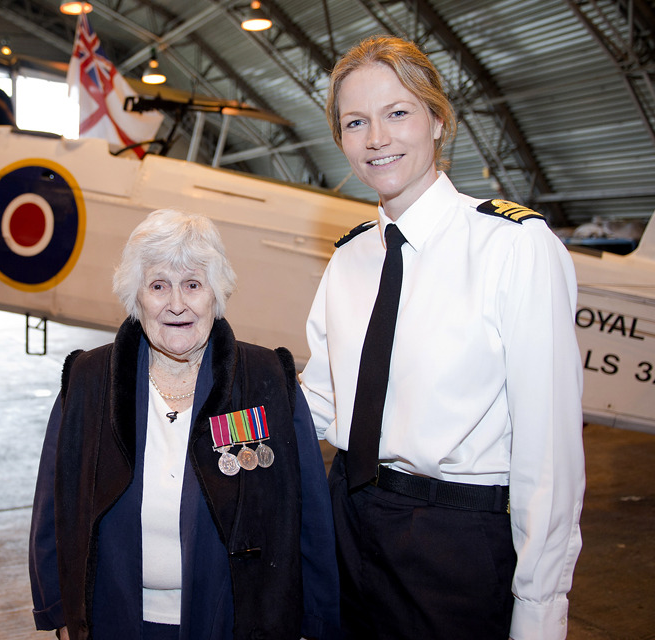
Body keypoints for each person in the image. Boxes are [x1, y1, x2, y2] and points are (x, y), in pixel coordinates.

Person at [299, 35, 584, 640]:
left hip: (455, 540)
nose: (377, 138)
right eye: (356, 122)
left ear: (436, 119)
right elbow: (320, 400)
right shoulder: (350, 259)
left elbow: (549, 452)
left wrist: (539, 609)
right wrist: (210, 403)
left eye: (398, 113)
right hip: (346, 519)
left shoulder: (514, 247)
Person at [30, 209, 340, 640]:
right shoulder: (89, 380)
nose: (177, 304)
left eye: (193, 285)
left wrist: (316, 621)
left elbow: (310, 514)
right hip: (115, 619)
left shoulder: (268, 378)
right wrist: (61, 614)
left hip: (236, 621)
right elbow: (53, 504)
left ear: (216, 294)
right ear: (136, 296)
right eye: (158, 286)